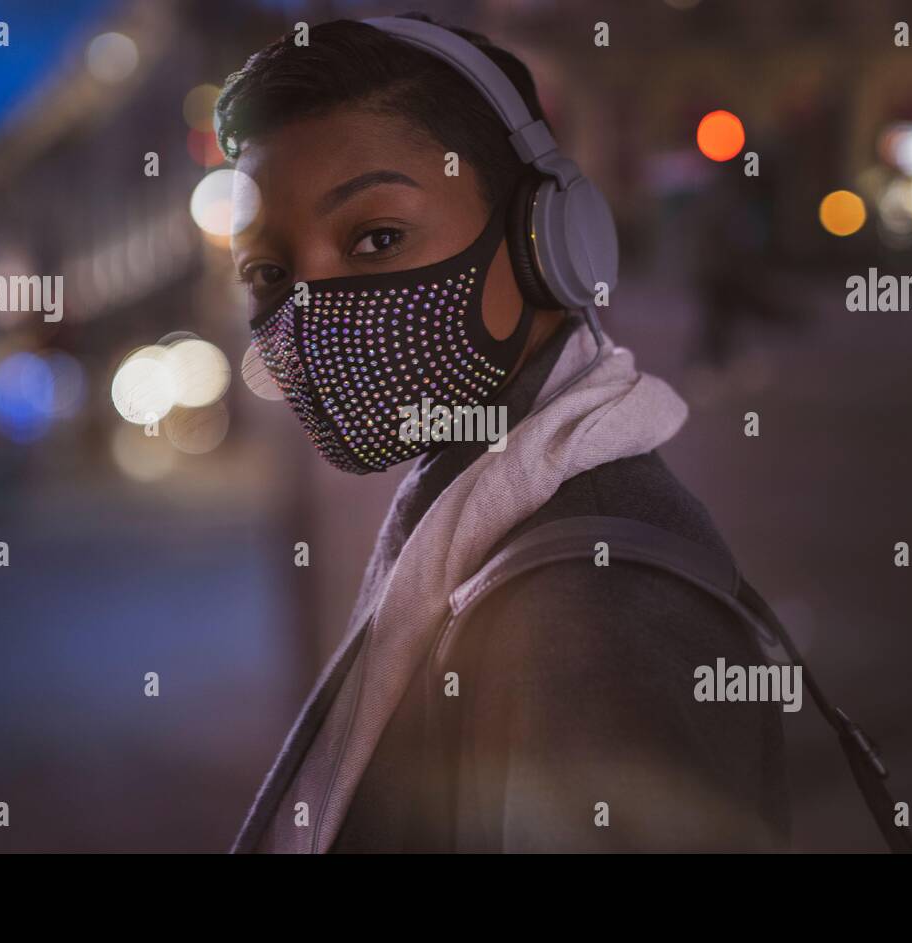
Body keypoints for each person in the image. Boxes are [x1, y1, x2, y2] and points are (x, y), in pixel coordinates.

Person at [219, 13, 790, 853]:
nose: (309, 317)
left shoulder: (592, 609)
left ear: (547, 243)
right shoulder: (481, 512)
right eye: (269, 272)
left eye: (377, 237)